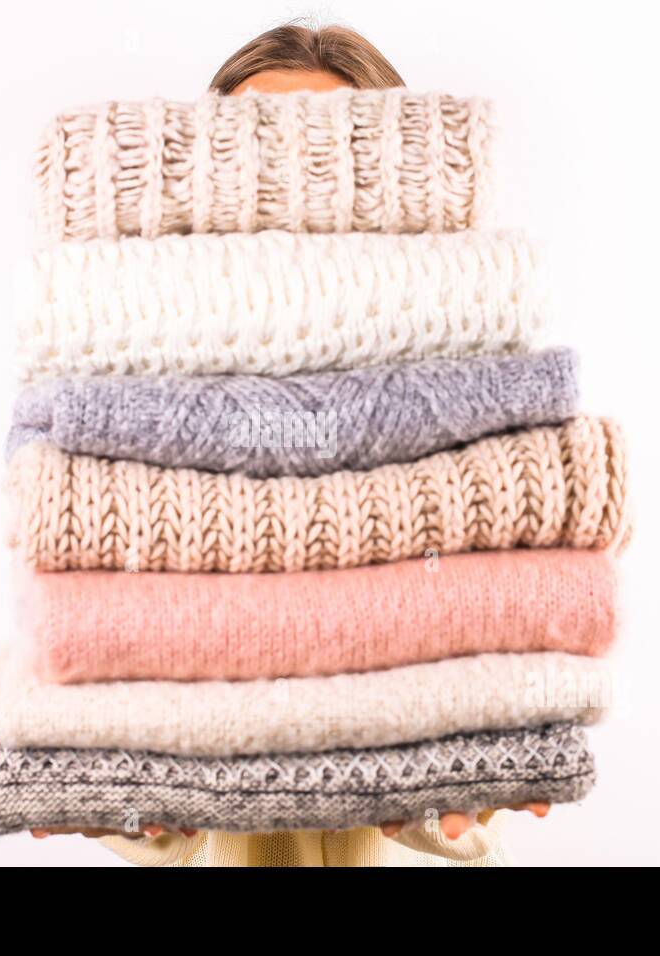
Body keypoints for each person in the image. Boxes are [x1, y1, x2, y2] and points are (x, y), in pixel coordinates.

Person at [34, 22, 548, 866]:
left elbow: (483, 625)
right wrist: (150, 797)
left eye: (329, 161)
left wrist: (440, 781)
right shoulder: (139, 402)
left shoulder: (462, 388)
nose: (294, 212)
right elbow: (130, 649)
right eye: (257, 156)